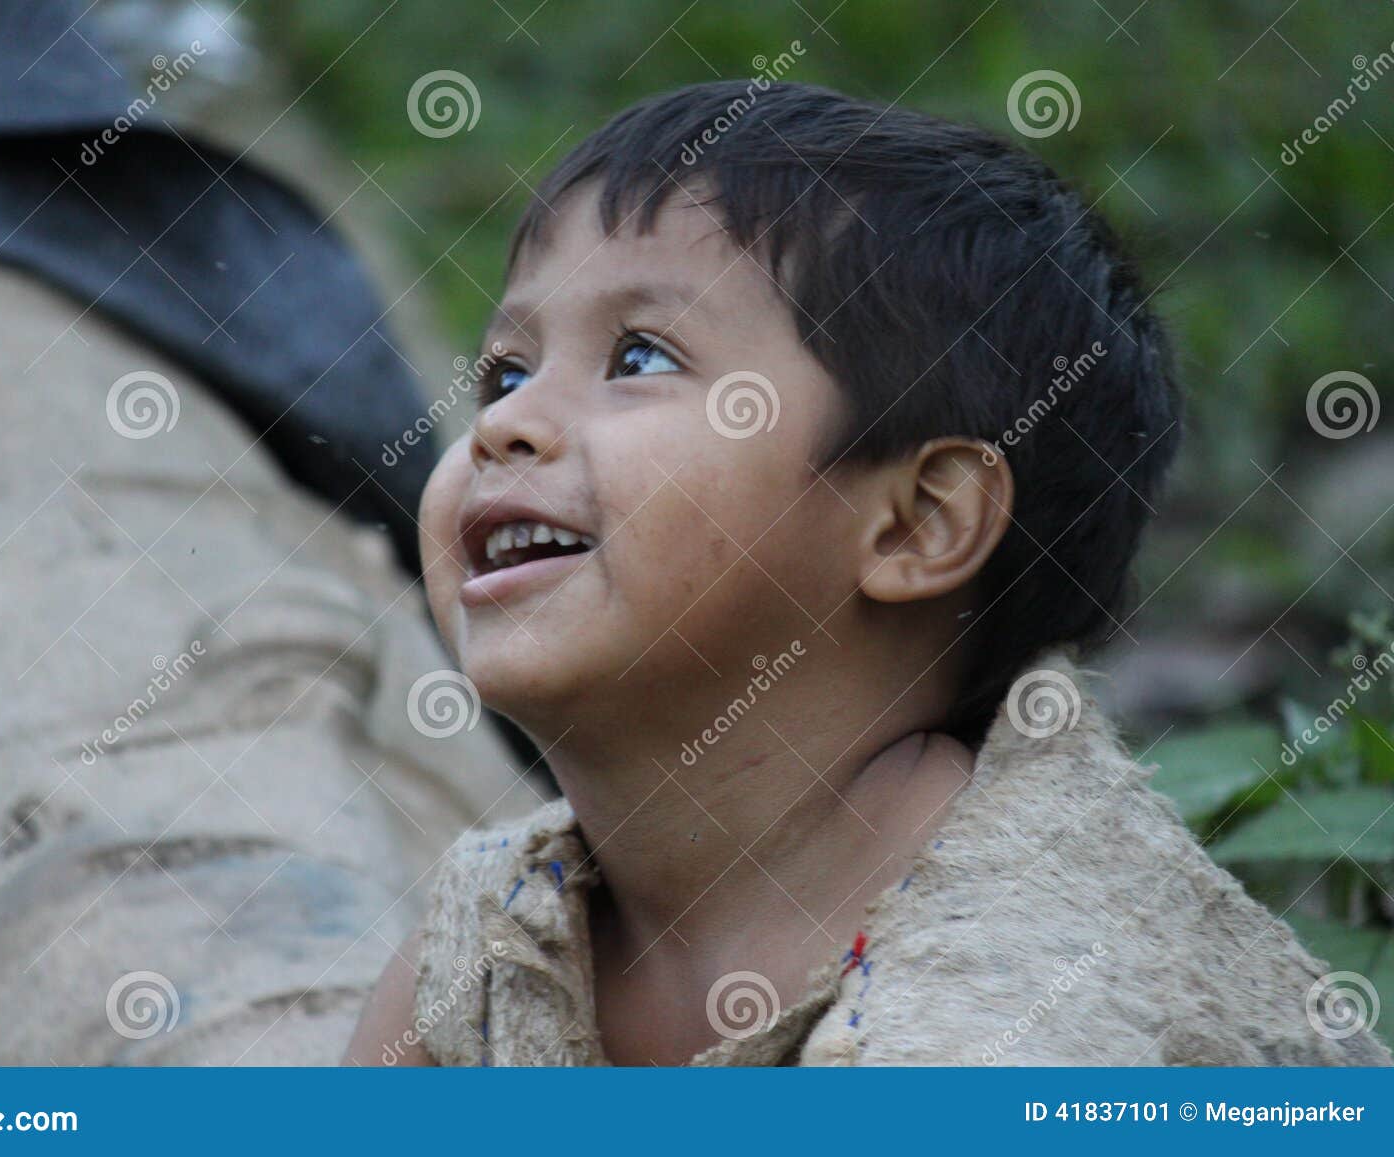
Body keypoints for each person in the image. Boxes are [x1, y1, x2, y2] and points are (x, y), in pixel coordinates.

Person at [343, 80, 1393, 1067]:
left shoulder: (1027, 998)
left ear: (916, 525)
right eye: (506, 372)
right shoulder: (500, 929)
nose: (505, 425)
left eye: (639, 358)